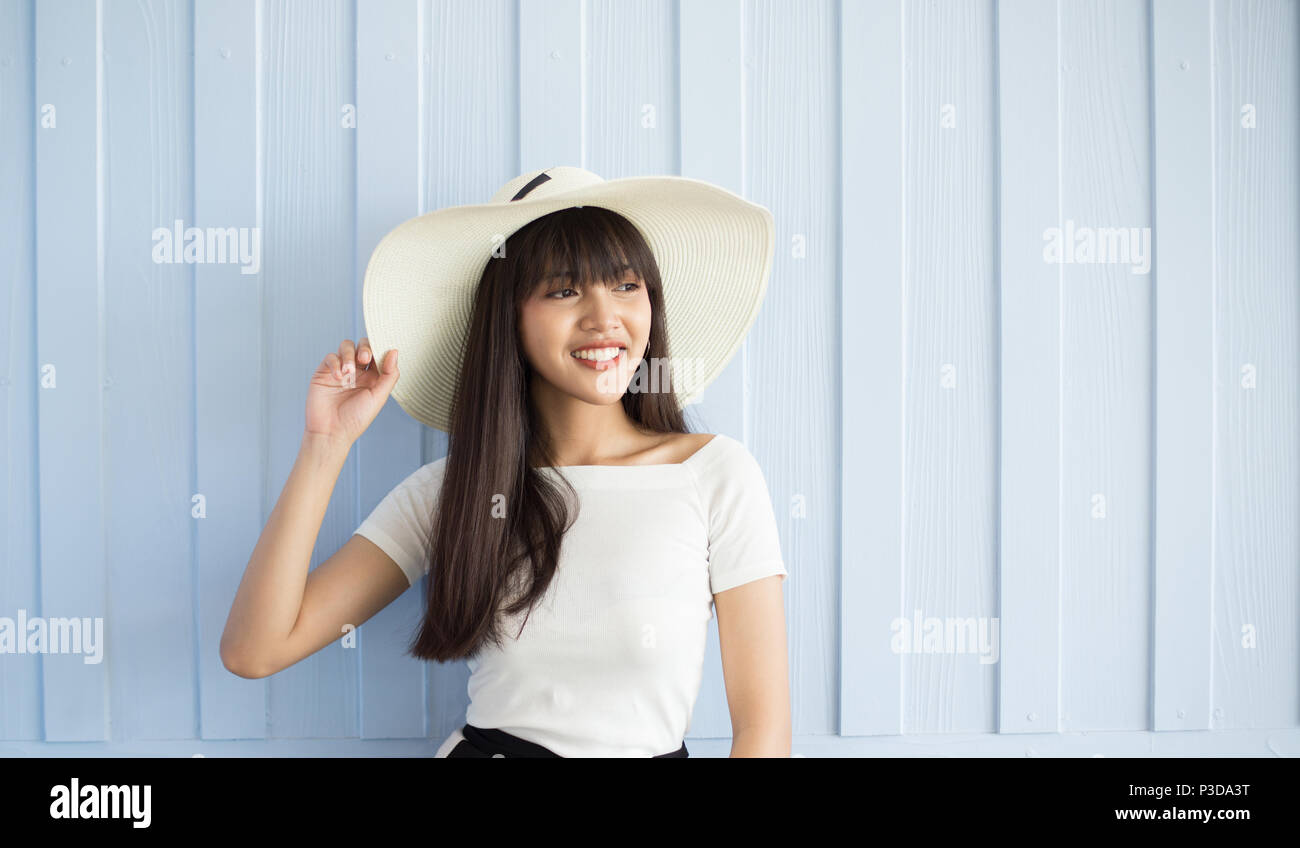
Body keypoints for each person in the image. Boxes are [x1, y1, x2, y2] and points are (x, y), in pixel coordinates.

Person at [220, 167, 789, 757]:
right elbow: (254, 650)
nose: (604, 317)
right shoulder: (458, 491)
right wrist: (326, 444)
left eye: (626, 285)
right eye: (563, 290)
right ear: (509, 317)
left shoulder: (714, 475)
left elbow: (764, 733)